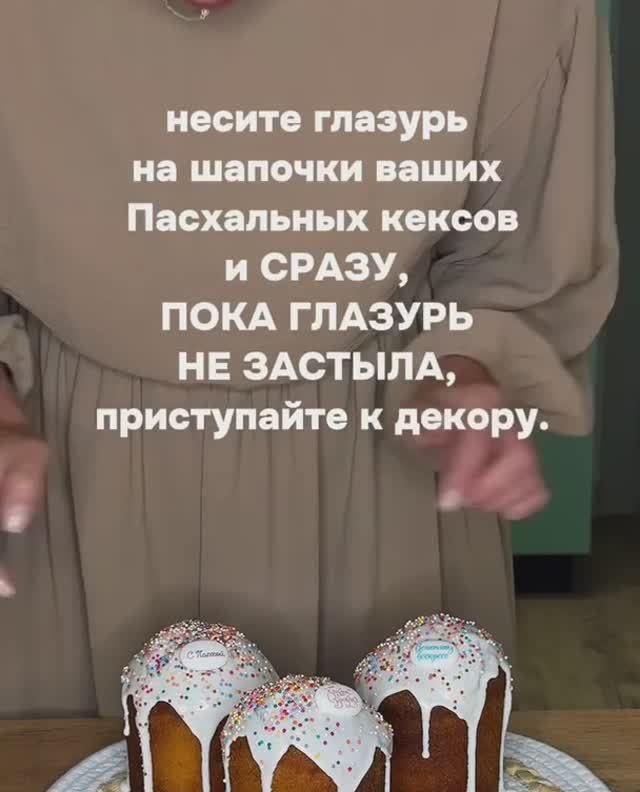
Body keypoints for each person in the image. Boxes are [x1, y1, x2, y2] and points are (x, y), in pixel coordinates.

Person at [0, 0, 618, 716]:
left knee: (420, 783)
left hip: (380, 474)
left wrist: (463, 366)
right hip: (59, 487)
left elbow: (517, 256)